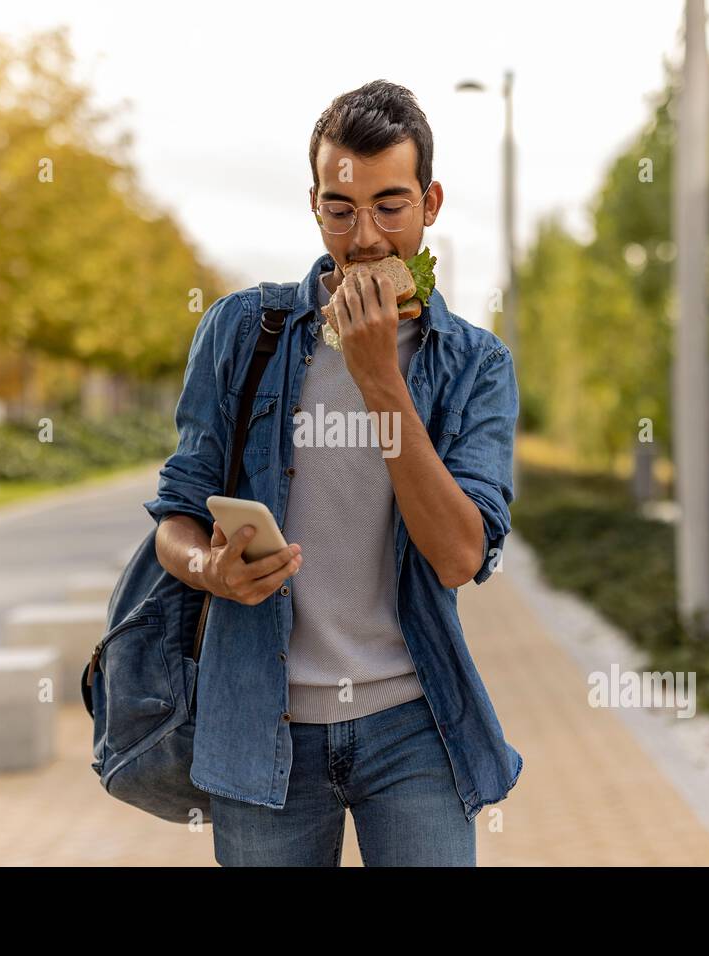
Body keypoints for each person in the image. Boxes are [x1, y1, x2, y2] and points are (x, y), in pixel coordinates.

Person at [146, 79, 522, 866]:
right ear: (314, 204)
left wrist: (379, 377)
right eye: (341, 209)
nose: (367, 239)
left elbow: (460, 556)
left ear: (431, 202)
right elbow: (175, 518)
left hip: (415, 723)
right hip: (261, 724)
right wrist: (206, 568)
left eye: (391, 205)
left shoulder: (476, 366)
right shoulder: (241, 331)